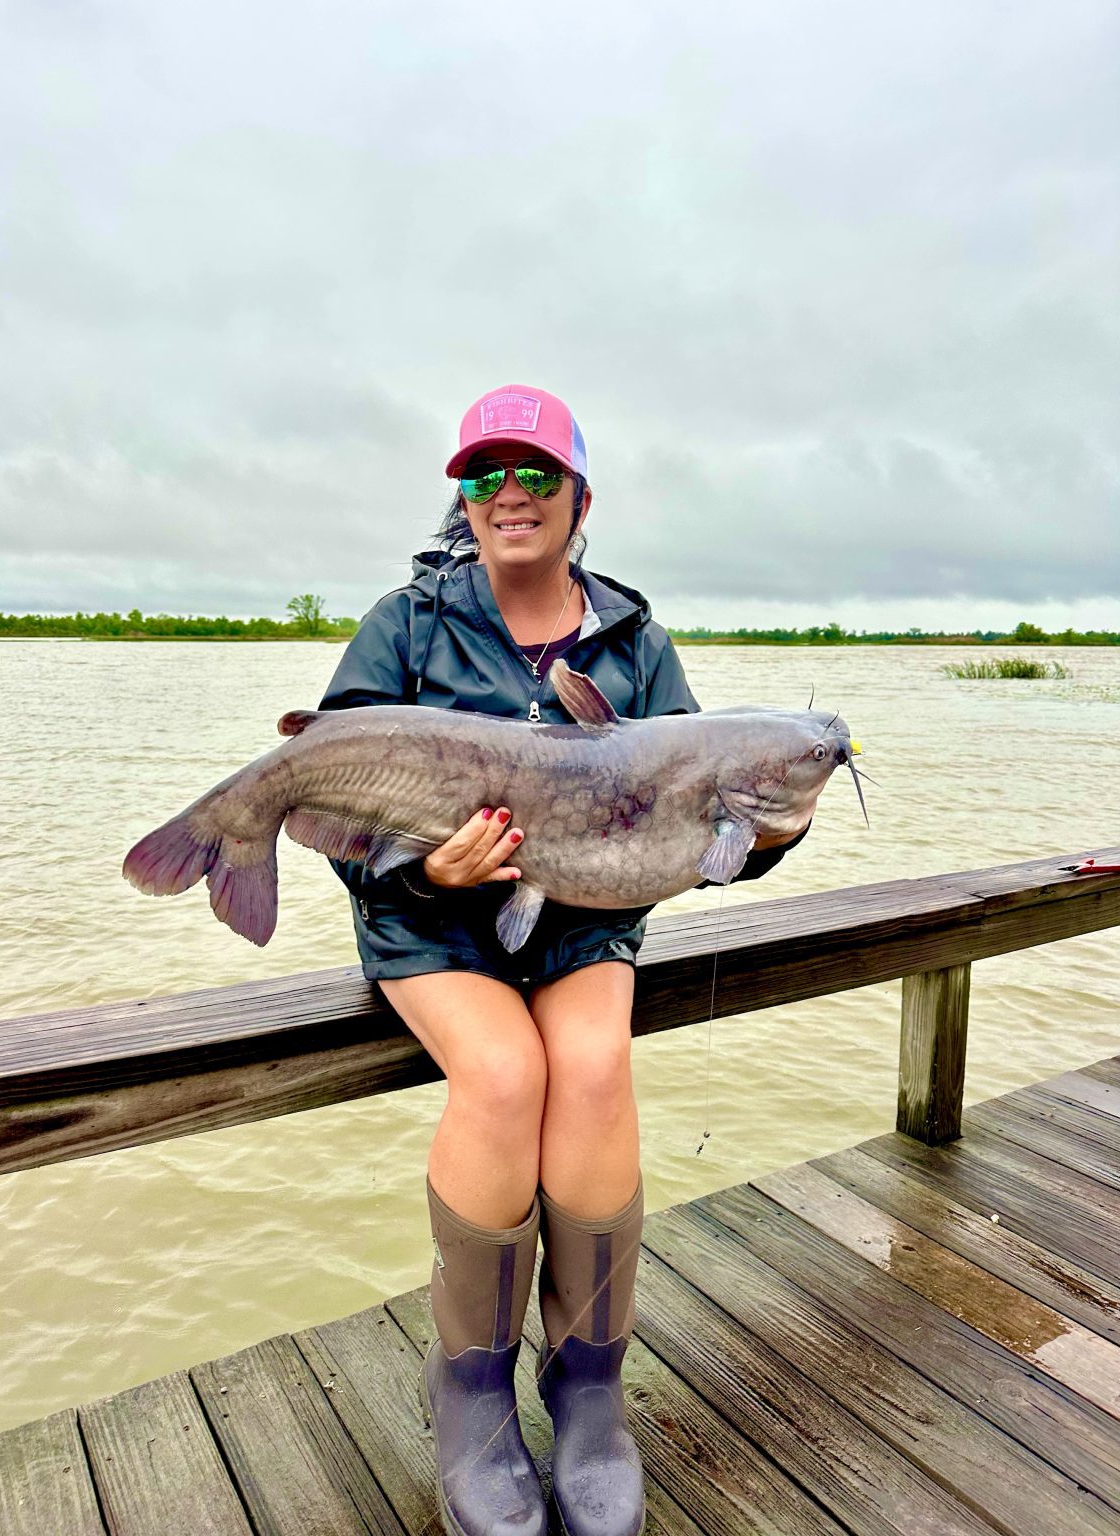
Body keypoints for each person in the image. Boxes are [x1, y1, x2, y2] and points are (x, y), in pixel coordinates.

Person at [318, 385, 812, 1536]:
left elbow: (708, 834)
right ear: (463, 500)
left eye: (534, 473)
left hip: (587, 923)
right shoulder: (406, 624)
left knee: (590, 1066)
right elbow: (339, 806)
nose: (508, 496)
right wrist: (425, 875)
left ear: (580, 496)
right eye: (483, 476)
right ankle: (474, 1403)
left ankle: (588, 1392)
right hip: (432, 926)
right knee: (503, 1077)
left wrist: (774, 833)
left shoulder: (637, 643)